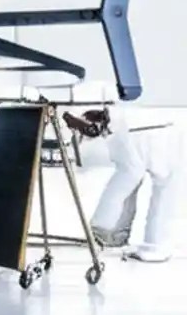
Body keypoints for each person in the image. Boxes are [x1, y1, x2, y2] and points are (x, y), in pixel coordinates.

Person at [64, 107, 183, 262]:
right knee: (164, 185)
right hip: (160, 123)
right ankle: (154, 245)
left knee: (128, 176)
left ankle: (109, 231)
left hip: (124, 123)